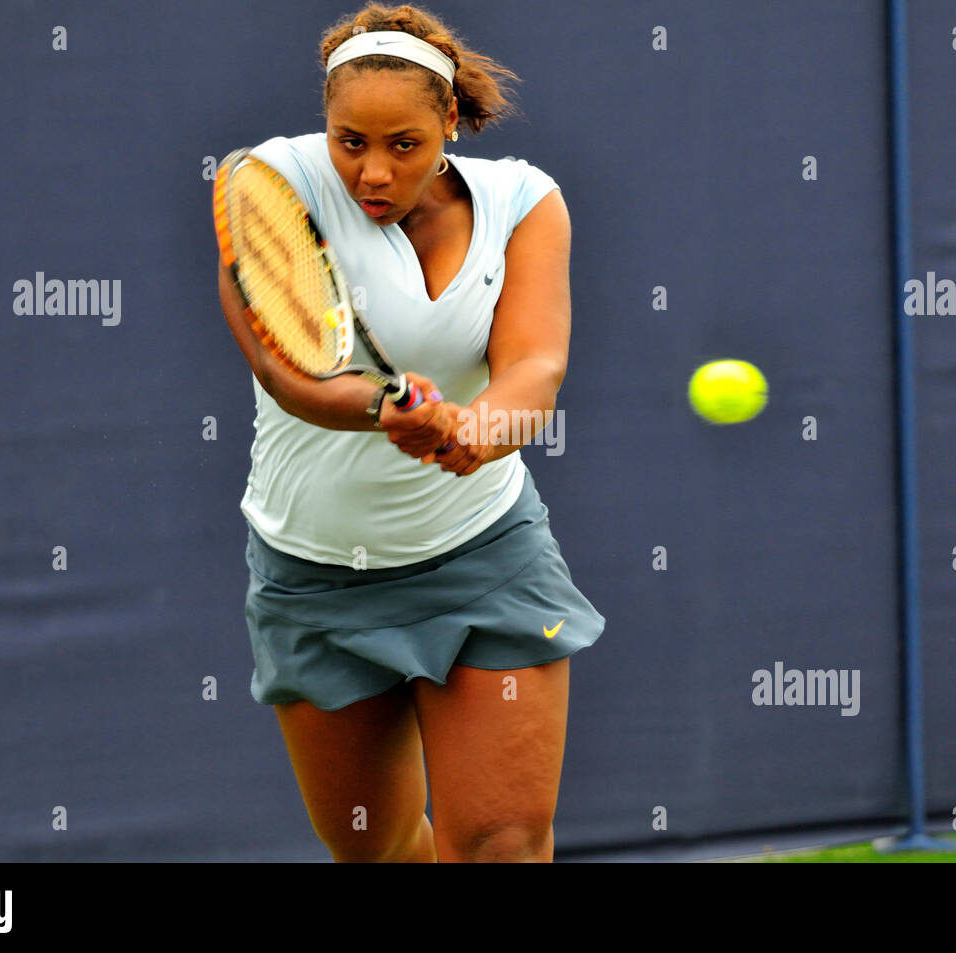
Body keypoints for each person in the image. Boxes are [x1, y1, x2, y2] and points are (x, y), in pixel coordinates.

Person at [217, 2, 603, 863]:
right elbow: (287, 372)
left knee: (500, 844)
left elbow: (534, 365)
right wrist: (381, 408)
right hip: (313, 578)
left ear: (451, 124)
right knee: (380, 849)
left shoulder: (525, 201)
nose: (373, 173)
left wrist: (478, 430)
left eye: (404, 145)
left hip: (481, 555)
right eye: (349, 141)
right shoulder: (272, 183)